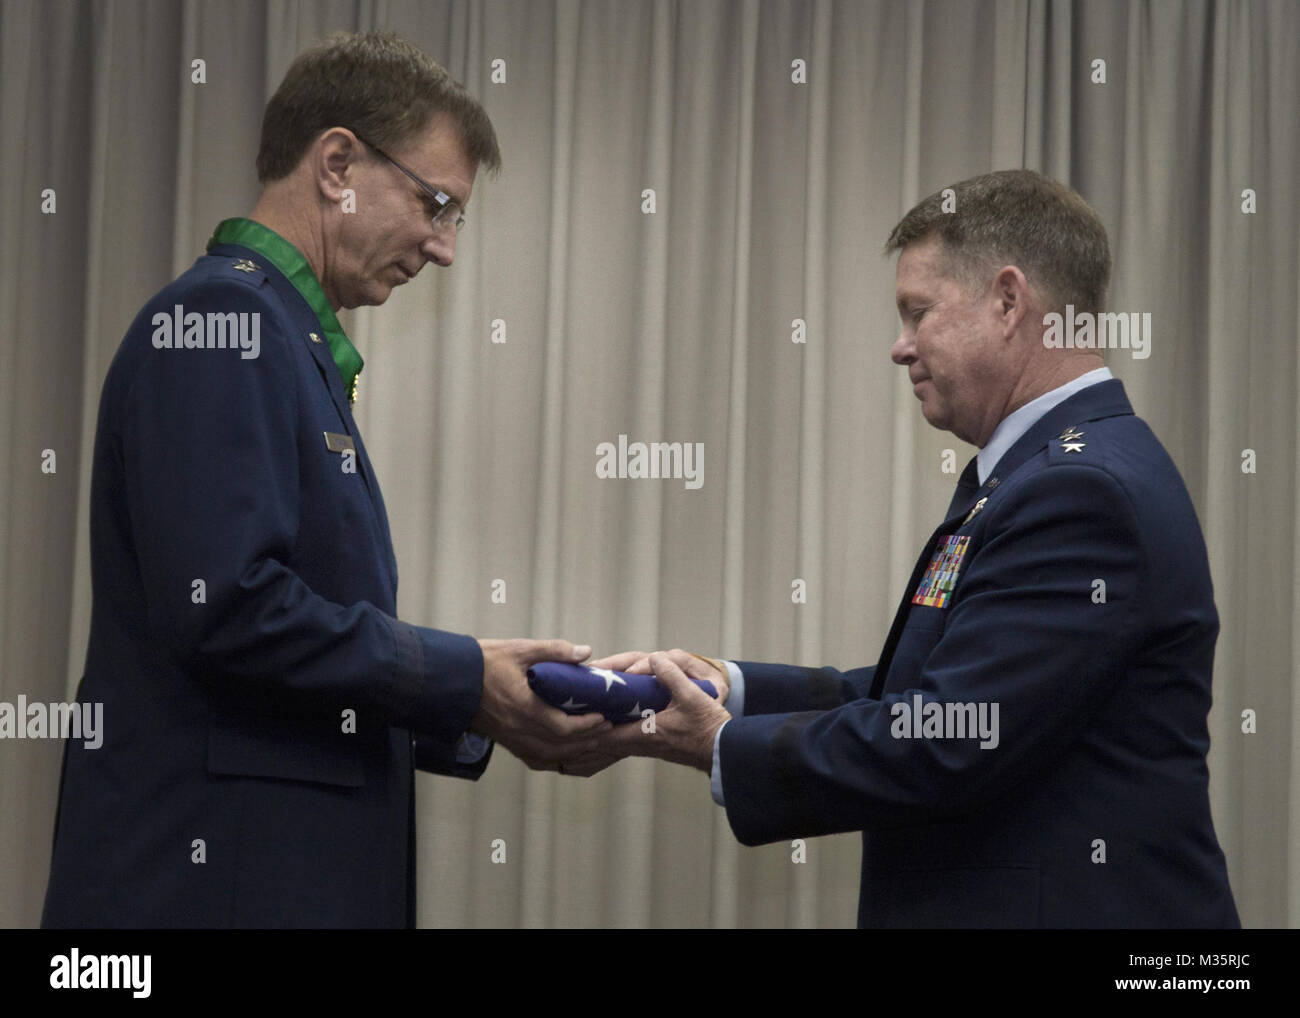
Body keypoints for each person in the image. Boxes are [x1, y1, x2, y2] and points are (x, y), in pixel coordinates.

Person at [41, 31, 607, 930]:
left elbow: (289, 656)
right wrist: (465, 677)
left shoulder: (282, 336)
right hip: (212, 886)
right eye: (436, 204)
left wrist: (488, 707)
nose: (443, 246)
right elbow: (227, 608)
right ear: (338, 162)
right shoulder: (222, 320)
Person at [594, 169, 1240, 928]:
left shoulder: (1081, 490)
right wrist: (726, 686)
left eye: (918, 312)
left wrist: (722, 745)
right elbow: (930, 696)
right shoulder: (1046, 471)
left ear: (1008, 300)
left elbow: (950, 737)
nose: (900, 348)